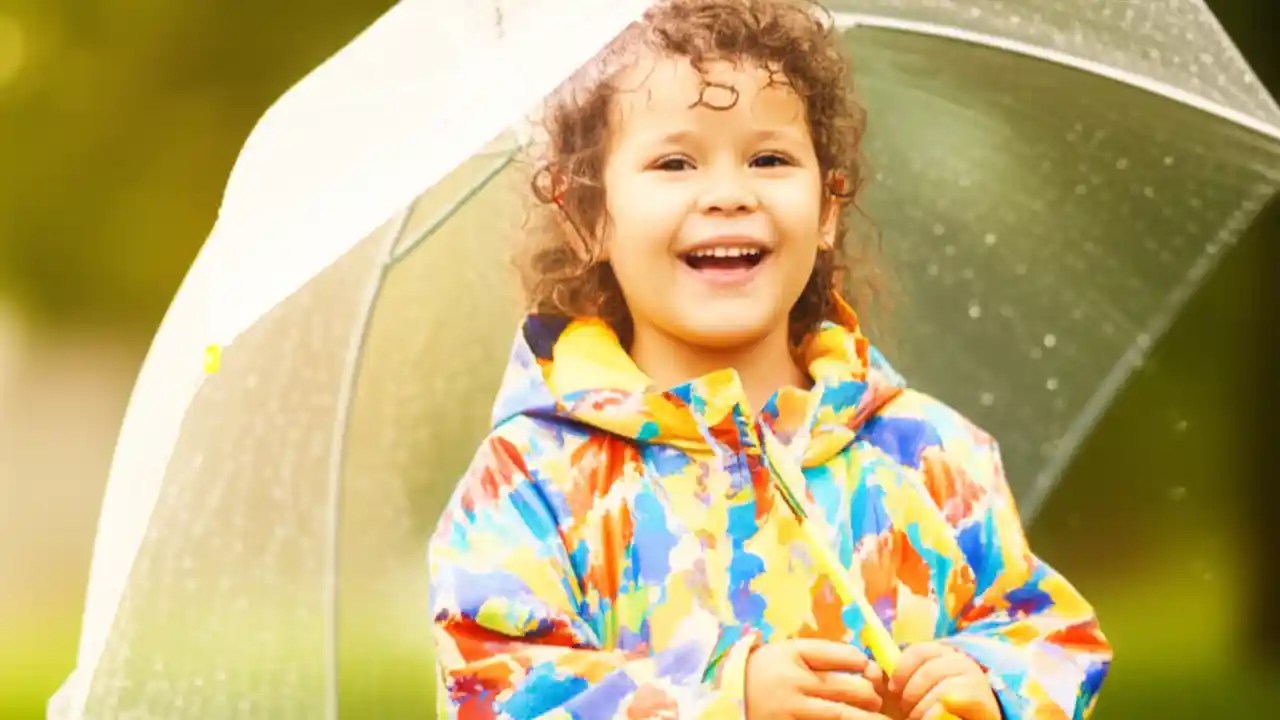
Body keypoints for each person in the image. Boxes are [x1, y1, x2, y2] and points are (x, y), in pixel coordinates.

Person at [427, 1, 1111, 718]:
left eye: (770, 159)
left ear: (828, 207)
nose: (729, 195)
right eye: (674, 162)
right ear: (586, 215)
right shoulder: (532, 481)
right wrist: (726, 699)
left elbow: (1050, 639)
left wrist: (988, 685)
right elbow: (496, 694)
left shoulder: (929, 456)